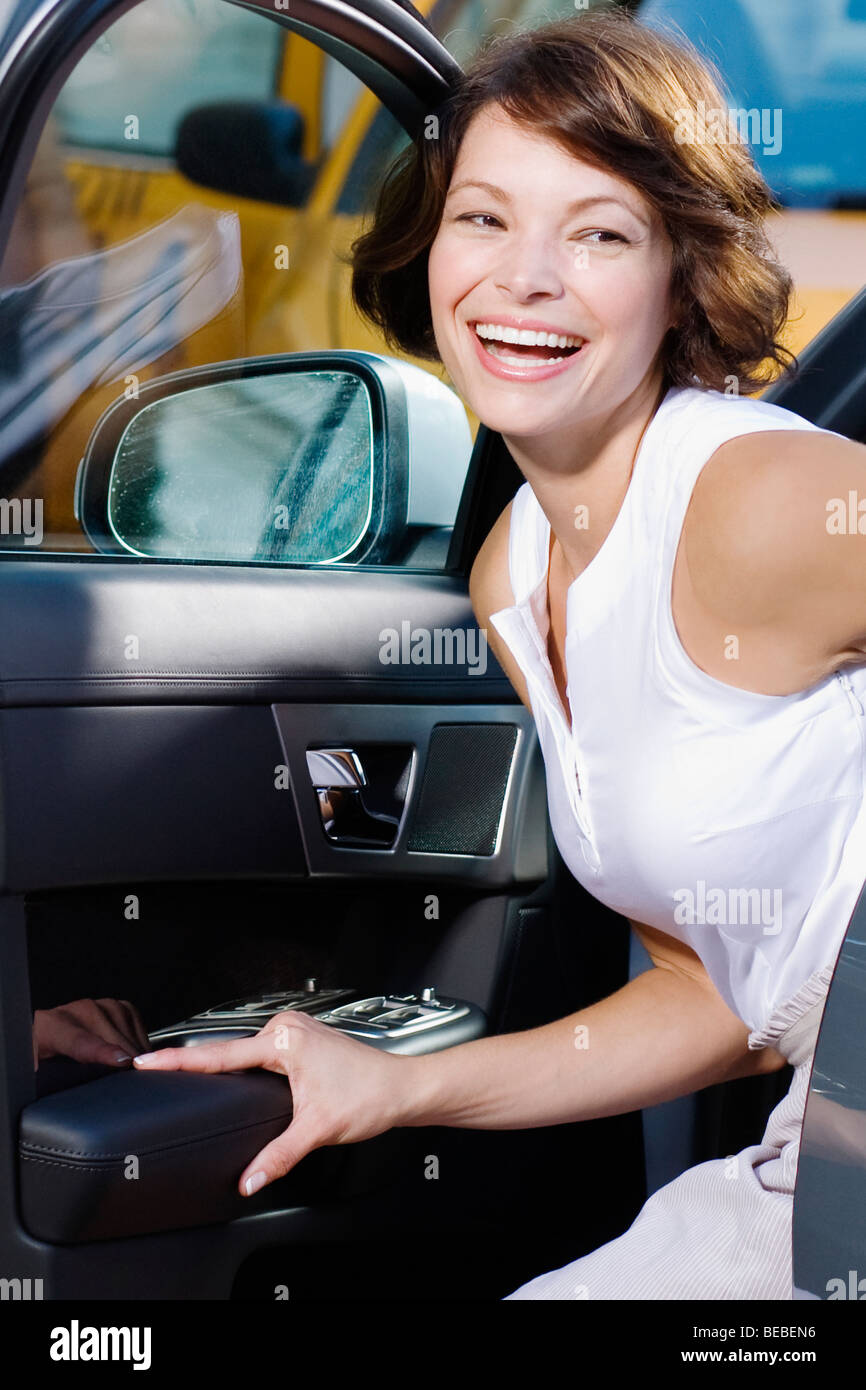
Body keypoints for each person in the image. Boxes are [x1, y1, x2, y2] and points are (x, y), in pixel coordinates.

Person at [134, 9, 866, 1298]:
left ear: (682, 276)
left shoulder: (756, 505)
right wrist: (400, 1087)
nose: (525, 276)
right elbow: (723, 997)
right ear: (428, 247)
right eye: (485, 217)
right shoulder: (513, 577)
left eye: (598, 232)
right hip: (816, 1168)